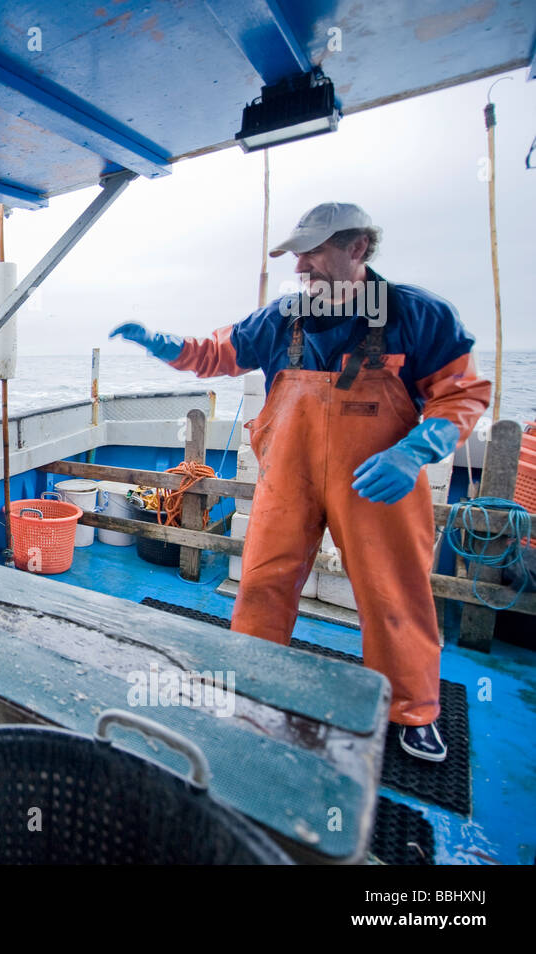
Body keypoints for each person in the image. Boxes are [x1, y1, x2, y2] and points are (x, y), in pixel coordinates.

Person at [110, 202, 491, 762]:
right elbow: (217, 353)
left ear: (358, 247)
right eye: (297, 255)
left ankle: (412, 710)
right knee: (261, 583)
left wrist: (415, 452)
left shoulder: (419, 314)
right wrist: (166, 344)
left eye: (314, 251)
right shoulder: (283, 316)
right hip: (289, 476)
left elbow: (461, 394)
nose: (302, 265)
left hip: (377, 478)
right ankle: (252, 687)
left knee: (395, 592)